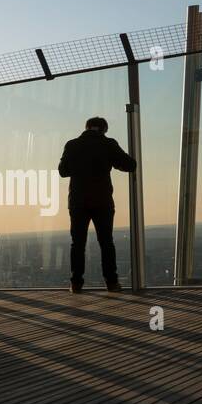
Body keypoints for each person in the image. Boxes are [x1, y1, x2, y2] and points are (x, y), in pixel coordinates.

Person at [58, 117, 136, 293]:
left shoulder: (72, 145)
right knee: (106, 242)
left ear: (86, 128)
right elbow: (130, 165)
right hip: (102, 201)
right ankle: (112, 283)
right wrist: (109, 163)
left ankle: (76, 283)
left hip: (78, 202)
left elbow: (63, 171)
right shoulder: (108, 144)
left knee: (77, 243)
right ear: (103, 129)